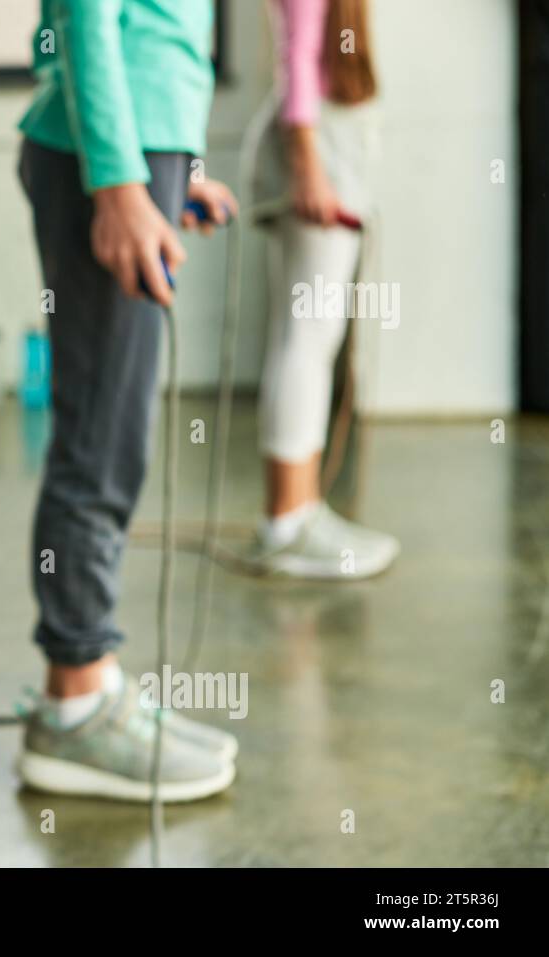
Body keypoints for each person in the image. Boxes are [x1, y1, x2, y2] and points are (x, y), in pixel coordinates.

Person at [15, 0, 240, 802]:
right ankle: (74, 702)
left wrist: (180, 164)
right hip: (110, 154)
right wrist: (119, 182)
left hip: (141, 144)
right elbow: (85, 14)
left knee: (116, 427)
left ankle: (94, 682)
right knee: (103, 435)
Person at [241, 0, 398, 579]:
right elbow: (297, 56)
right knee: (305, 340)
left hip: (328, 147)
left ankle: (301, 508)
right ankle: (287, 520)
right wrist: (309, 168)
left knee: (310, 338)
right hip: (315, 152)